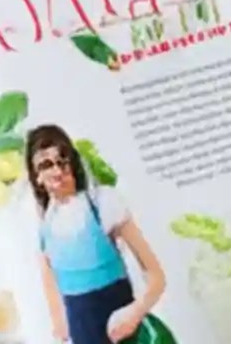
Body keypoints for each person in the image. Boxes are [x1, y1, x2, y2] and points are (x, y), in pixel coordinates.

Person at [25, 125, 166, 344]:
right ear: (37, 178)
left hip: (127, 335)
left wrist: (135, 313)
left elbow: (157, 277)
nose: (57, 171)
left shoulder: (104, 204)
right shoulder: (44, 227)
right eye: (46, 165)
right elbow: (57, 312)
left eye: (63, 160)